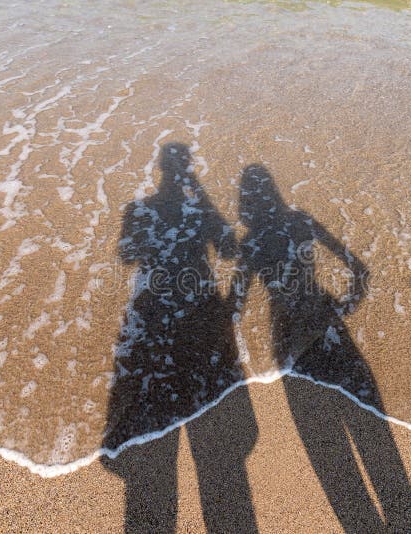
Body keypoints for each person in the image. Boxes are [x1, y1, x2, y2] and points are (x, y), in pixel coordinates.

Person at [235, 163, 411, 530]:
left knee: (327, 446)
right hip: (329, 323)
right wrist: (347, 304)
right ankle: (409, 524)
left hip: (288, 338)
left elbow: (237, 302)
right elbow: (359, 269)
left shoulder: (249, 243)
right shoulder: (301, 220)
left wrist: (224, 340)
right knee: (372, 431)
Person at [102, 143, 257, 533]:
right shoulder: (196, 211)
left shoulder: (138, 210)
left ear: (159, 169)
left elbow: (126, 255)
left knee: (156, 470)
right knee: (218, 466)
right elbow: (227, 247)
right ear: (186, 170)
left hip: (151, 322)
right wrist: (199, 197)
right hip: (199, 321)